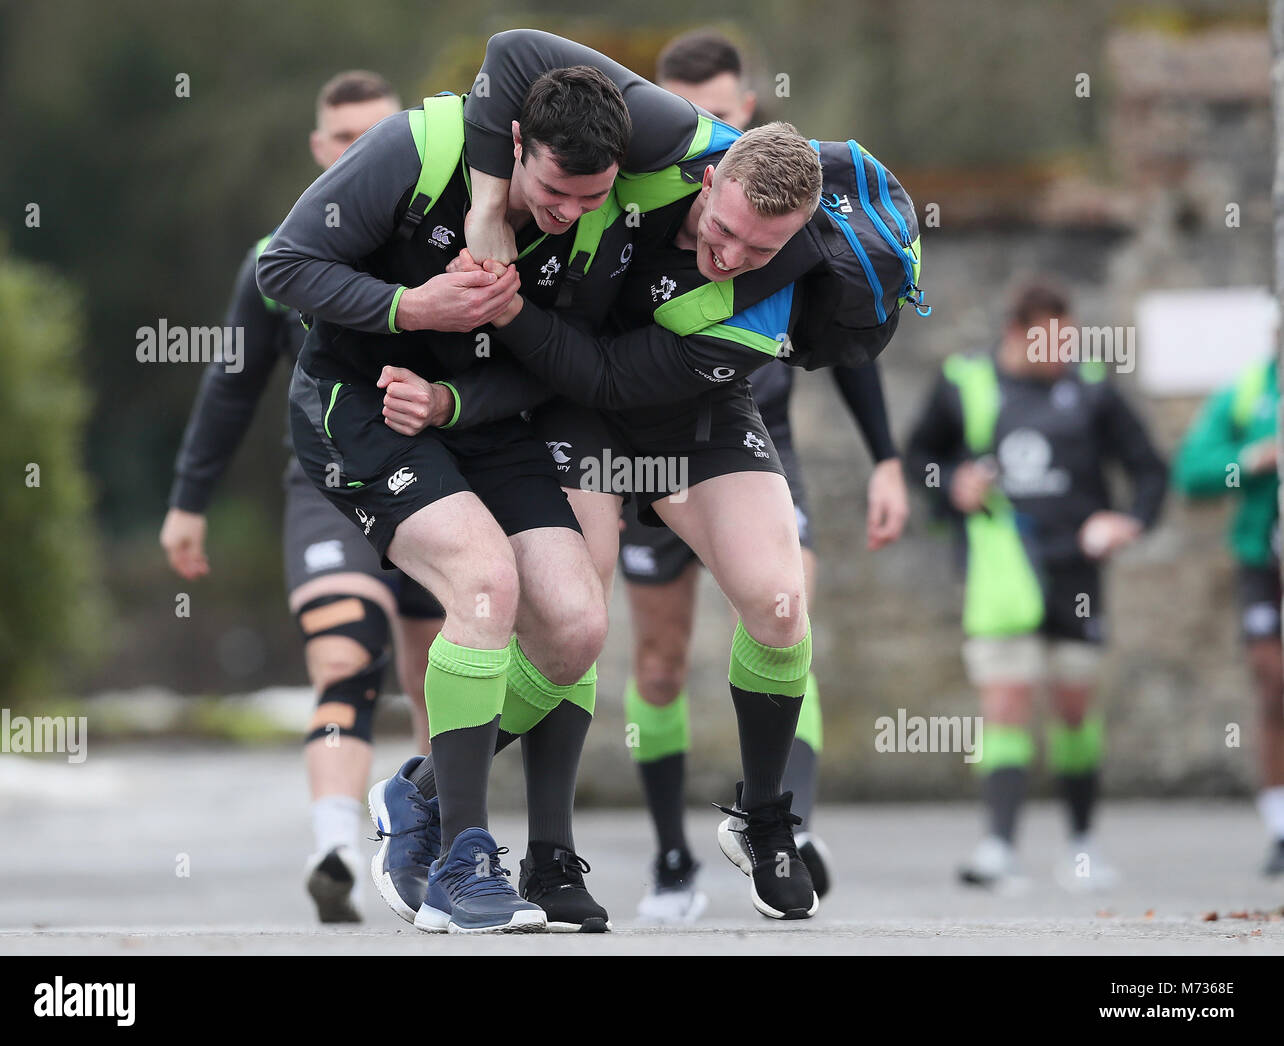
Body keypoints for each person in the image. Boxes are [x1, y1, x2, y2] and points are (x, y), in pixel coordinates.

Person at [394, 28, 921, 920]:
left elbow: (614, 374)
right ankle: (549, 857)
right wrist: (488, 206)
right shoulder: (673, 135)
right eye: (723, 234)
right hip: (571, 413)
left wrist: (514, 305)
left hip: (684, 411)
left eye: (760, 252)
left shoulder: (774, 281)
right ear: (711, 178)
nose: (729, 258)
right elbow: (513, 51)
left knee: (782, 601)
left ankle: (763, 819)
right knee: (576, 618)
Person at [258, 67, 636, 933]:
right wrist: (409, 307)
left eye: (593, 196)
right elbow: (286, 266)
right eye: (554, 191)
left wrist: (454, 402)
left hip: (475, 420)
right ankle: (460, 864)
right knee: (484, 580)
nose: (570, 212)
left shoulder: (597, 223)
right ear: (514, 149)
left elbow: (556, 366)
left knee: (577, 627)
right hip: (358, 405)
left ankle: (419, 792)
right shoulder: (412, 151)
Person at [611, 29, 909, 923]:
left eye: (725, 109)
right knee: (659, 663)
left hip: (753, 432)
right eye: (692, 108)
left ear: (751, 110)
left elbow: (850, 337)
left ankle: (782, 821)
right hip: (646, 429)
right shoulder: (651, 184)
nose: (710, 121)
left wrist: (888, 455)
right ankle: (670, 859)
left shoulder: (787, 198)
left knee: (784, 614)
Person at [160, 71, 431, 924]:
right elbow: (233, 385)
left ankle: (434, 841)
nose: (358, 153)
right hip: (326, 486)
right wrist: (187, 500)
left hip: (436, 487)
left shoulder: (445, 248)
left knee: (441, 682)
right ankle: (335, 850)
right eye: (342, 138)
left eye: (376, 137)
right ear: (319, 149)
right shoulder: (278, 258)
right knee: (346, 655)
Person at [905, 279, 1167, 892]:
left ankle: (1081, 846)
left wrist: (1127, 521)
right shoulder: (965, 381)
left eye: (1070, 338)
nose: (1064, 352)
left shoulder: (1095, 388)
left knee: (1074, 708)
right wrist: (952, 484)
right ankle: (998, 848)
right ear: (1016, 334)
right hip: (998, 577)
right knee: (1006, 704)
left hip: (1075, 576)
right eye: (1053, 341)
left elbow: (1150, 468)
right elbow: (918, 455)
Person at [1174, 350, 1284, 875]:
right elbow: (1192, 471)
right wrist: (1253, 458)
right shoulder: (1247, 393)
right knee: (1274, 683)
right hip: (1264, 559)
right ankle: (1281, 825)